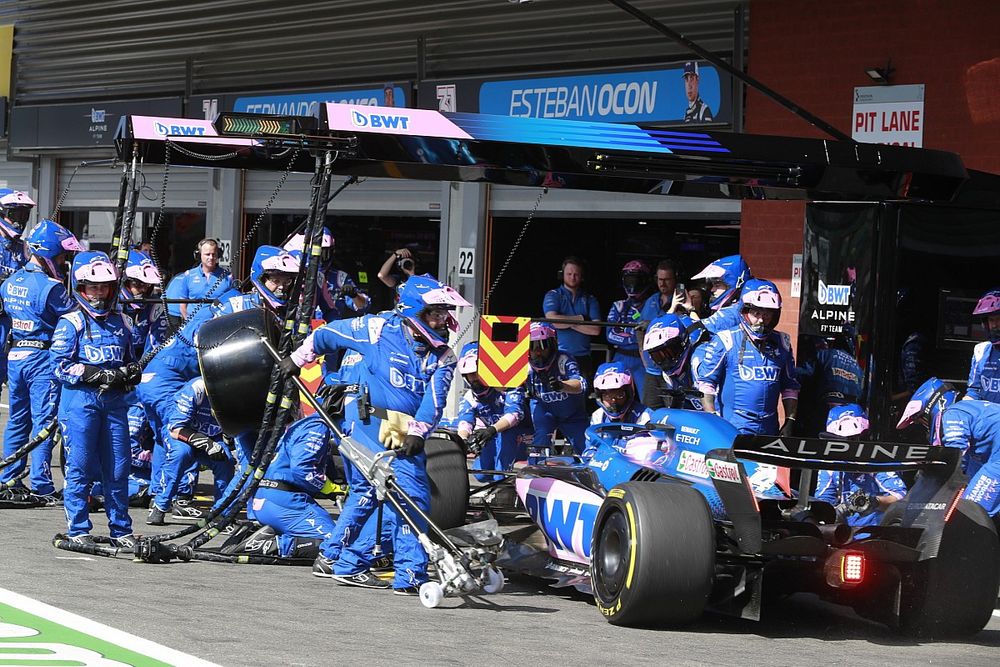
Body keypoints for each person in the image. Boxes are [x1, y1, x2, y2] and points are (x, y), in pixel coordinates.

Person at [278, 273, 469, 594]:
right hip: (366, 418)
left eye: (444, 313)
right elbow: (325, 335)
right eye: (435, 313)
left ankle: (338, 558)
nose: (443, 321)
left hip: (403, 427)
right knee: (411, 493)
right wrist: (297, 359)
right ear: (414, 311)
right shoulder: (378, 328)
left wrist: (419, 432)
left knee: (374, 493)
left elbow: (434, 402)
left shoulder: (445, 356)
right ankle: (408, 575)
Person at [50, 251, 140, 547]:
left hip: (115, 404)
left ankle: (121, 530)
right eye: (93, 287)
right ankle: (78, 529)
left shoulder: (124, 322)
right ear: (82, 288)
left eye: (104, 287)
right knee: (81, 466)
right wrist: (96, 374)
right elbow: (59, 365)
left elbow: (135, 362)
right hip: (80, 402)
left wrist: (129, 373)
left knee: (118, 468)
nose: (99, 293)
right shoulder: (71, 322)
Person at [0, 219, 83, 503]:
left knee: (17, 420)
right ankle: (42, 485)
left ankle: (9, 477)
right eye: (61, 255)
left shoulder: (11, 282)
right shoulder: (51, 287)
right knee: (44, 423)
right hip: (42, 359)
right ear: (49, 253)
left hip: (16, 356)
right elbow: (77, 317)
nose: (63, 261)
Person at [695, 278, 799, 435]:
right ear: (744, 311)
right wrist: (713, 420)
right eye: (756, 313)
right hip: (732, 429)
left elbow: (790, 386)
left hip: (769, 430)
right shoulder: (725, 340)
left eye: (767, 314)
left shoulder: (783, 343)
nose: (761, 320)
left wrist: (790, 421)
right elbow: (706, 384)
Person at [898, 377, 1000, 519]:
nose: (923, 425)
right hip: (995, 454)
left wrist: (930, 468)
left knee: (968, 513)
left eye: (920, 419)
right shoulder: (974, 413)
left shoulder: (952, 412)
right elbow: (967, 474)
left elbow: (955, 454)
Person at [147, 376, 235, 525]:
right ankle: (160, 506)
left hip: (212, 436)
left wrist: (230, 438)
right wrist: (206, 444)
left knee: (225, 461)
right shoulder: (197, 387)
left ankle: (220, 513)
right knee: (181, 454)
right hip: (180, 433)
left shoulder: (238, 392)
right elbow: (176, 429)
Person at [814, 404, 906, 527]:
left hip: (876, 534)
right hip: (841, 535)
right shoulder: (829, 464)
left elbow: (901, 498)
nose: (852, 443)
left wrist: (874, 502)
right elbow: (823, 501)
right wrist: (832, 512)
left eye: (855, 438)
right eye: (847, 439)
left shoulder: (878, 459)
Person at [455, 342, 529, 482]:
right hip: (494, 436)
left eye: (477, 373)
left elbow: (514, 415)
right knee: (481, 474)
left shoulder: (509, 385)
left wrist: (491, 430)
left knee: (498, 472)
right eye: (470, 375)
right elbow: (465, 422)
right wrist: (464, 440)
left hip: (523, 436)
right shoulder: (469, 398)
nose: (474, 379)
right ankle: (498, 484)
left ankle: (501, 486)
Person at [525, 321, 589, 455]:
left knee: (587, 449)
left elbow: (580, 384)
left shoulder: (564, 358)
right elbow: (505, 389)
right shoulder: (522, 364)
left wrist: (562, 386)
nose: (538, 352)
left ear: (553, 344)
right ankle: (536, 472)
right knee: (539, 444)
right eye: (533, 346)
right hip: (544, 411)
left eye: (543, 346)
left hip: (572, 413)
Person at [285, 228, 368, 322]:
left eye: (325, 253)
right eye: (316, 253)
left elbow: (364, 306)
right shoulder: (287, 279)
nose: (320, 259)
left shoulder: (340, 278)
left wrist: (354, 295)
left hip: (325, 329)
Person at [0, 190, 36, 394]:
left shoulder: (24, 248)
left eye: (24, 215)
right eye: (15, 215)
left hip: (13, 326)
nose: (20, 221)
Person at [542, 257, 601, 381]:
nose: (572, 277)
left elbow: (596, 330)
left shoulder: (590, 299)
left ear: (582, 276)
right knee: (558, 393)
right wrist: (579, 319)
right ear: (561, 275)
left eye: (576, 274)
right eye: (569, 274)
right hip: (557, 355)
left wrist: (568, 323)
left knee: (582, 394)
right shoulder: (553, 295)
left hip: (583, 357)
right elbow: (552, 320)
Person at [640, 313, 707, 410]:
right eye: (658, 356)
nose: (666, 361)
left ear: (681, 342)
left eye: (669, 352)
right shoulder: (668, 376)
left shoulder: (701, 359)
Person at [607, 260, 652, 394]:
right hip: (621, 357)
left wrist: (625, 332)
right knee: (613, 394)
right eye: (629, 279)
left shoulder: (653, 304)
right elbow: (610, 335)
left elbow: (652, 333)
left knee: (648, 400)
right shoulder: (618, 305)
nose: (632, 284)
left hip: (644, 360)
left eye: (636, 279)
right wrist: (635, 337)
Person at [164, 238, 231, 325]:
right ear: (199, 255)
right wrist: (190, 325)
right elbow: (183, 306)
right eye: (207, 254)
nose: (211, 257)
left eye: (214, 254)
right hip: (193, 328)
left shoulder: (228, 277)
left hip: (218, 328)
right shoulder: (188, 276)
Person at [795, 328, 863, 408]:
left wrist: (790, 373)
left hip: (827, 404)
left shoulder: (825, 354)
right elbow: (860, 392)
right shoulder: (857, 366)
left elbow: (806, 372)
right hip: (849, 410)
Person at [688, 254, 752, 333]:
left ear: (732, 285)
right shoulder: (735, 307)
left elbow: (699, 331)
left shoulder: (732, 312)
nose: (712, 289)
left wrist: (690, 309)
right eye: (712, 285)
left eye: (717, 285)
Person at [966, 289, 1000, 404]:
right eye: (991, 320)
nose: (995, 325)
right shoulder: (980, 350)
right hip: (987, 420)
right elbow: (974, 391)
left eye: (999, 319)